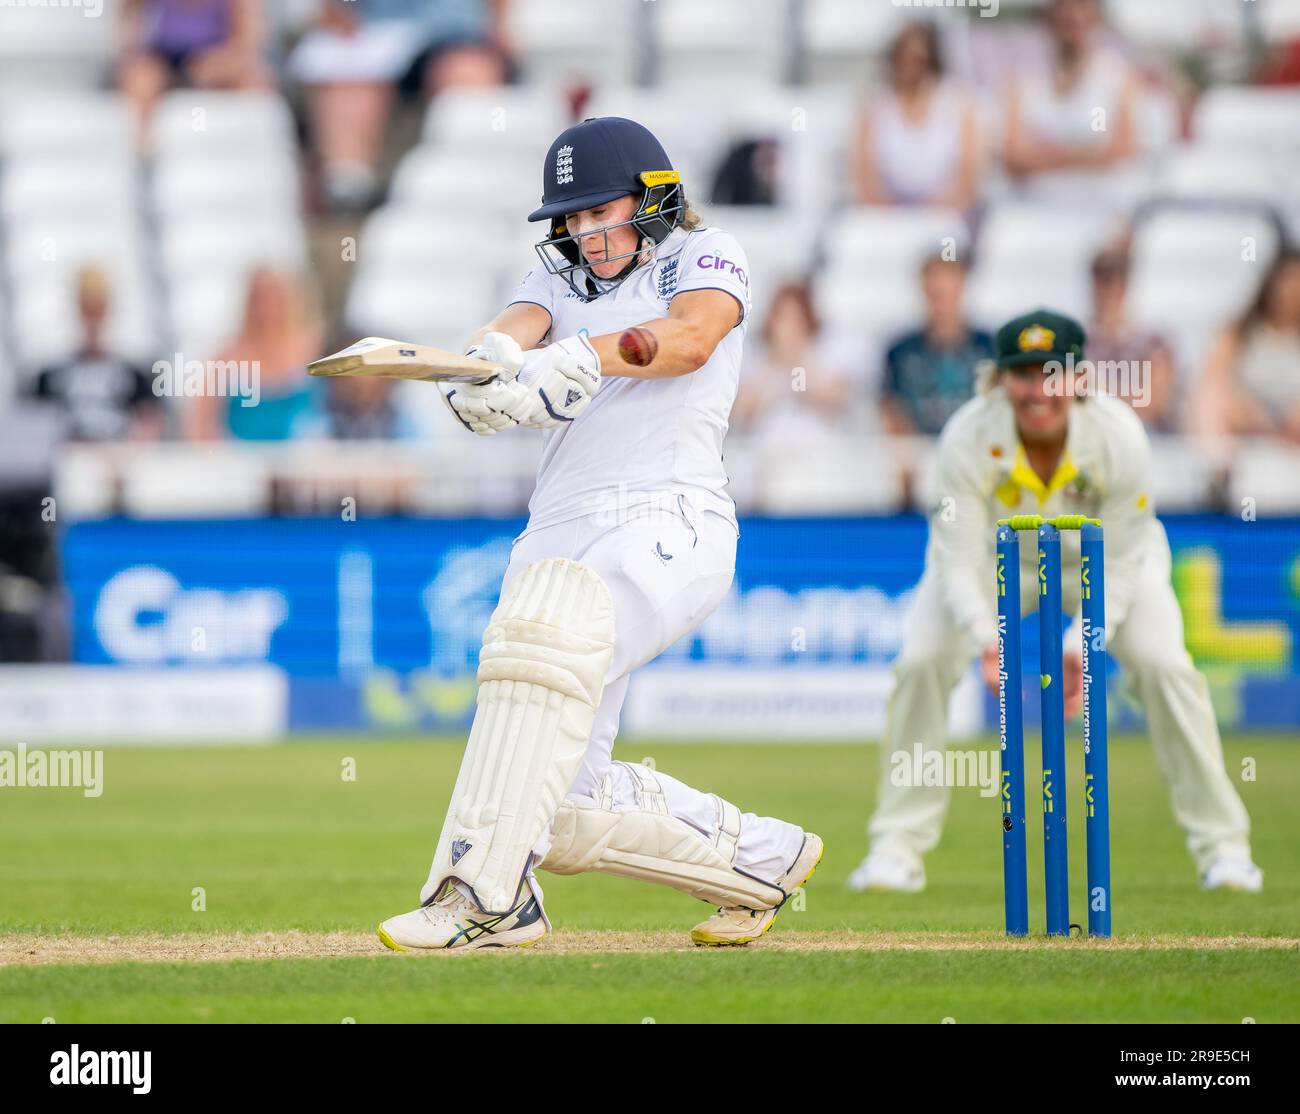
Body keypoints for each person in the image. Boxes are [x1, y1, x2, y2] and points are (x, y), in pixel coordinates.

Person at [378, 116, 822, 952]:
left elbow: (691, 339)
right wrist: (484, 372)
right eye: (571, 221)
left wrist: (584, 356)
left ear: (654, 198)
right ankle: (765, 857)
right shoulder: (561, 280)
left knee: (547, 645)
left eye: (598, 213)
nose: (584, 233)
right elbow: (510, 332)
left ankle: (480, 895)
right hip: (558, 522)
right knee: (565, 804)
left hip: (669, 514)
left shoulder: (706, 252)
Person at [848, 309, 1262, 896]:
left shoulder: (1118, 437)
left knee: (1166, 667)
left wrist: (1078, 643)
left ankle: (1225, 850)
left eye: (1052, 373)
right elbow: (957, 558)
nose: (1038, 391)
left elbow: (1121, 563)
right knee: (922, 660)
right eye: (1022, 375)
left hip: (1102, 563)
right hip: (1001, 563)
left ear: (1079, 377)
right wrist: (988, 635)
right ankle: (896, 848)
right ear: (999, 380)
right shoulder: (967, 436)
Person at [288, 0, 510, 211]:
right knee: (342, 68)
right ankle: (348, 195)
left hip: (454, 29)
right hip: (372, 26)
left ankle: (474, 191)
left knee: (468, 75)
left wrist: (499, 28)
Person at [1002, 0, 1141, 201]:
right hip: (1035, 204)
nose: (1072, 15)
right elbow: (1013, 155)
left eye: (1081, 7)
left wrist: (1045, 155)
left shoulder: (1115, 76)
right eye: (1063, 7)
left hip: (1099, 203)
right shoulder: (1025, 78)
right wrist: (1086, 154)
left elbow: (1122, 148)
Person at [850, 21, 982, 210]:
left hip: (945, 214)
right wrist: (893, 212)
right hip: (886, 217)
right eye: (903, 58)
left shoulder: (958, 105)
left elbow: (970, 180)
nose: (910, 68)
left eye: (918, 60)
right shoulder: (873, 107)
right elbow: (863, 182)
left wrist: (935, 208)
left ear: (932, 61)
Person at [187, 267, 326, 441]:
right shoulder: (225, 359)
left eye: (276, 299)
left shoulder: (314, 351)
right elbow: (200, 426)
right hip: (239, 462)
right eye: (260, 299)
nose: (268, 308)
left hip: (302, 463)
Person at [32, 266, 163, 443]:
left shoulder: (136, 376)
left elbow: (149, 432)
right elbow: (37, 434)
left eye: (98, 308)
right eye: (87, 308)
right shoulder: (48, 377)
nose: (93, 319)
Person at [117, 0, 271, 147]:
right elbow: (127, 32)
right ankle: (144, 155)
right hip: (162, 64)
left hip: (214, 62)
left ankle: (247, 151)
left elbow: (247, 45)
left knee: (254, 84)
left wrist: (216, 66)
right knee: (140, 80)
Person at [1191, 248, 1300, 444]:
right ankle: (1217, 467)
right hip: (1247, 418)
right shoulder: (1238, 331)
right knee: (1211, 399)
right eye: (1286, 280)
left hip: (1293, 424)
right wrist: (1252, 413)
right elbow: (1214, 378)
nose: (1291, 290)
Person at [730, 279, 857, 445]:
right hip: (766, 450)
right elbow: (741, 412)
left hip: (813, 449)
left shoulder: (825, 353)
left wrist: (798, 362)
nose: (789, 327)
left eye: (796, 319)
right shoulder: (755, 357)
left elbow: (832, 400)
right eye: (783, 318)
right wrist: (772, 363)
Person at [880, 254, 993, 437]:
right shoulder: (900, 351)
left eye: (946, 292)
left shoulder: (989, 347)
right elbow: (890, 406)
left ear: (961, 288)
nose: (941, 303)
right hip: (919, 452)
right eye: (934, 293)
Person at [1086, 246, 1178, 432]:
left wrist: (1099, 390)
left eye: (1115, 279)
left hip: (1142, 435)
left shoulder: (1153, 342)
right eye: (1103, 279)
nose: (1109, 289)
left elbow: (1153, 406)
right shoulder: (1080, 341)